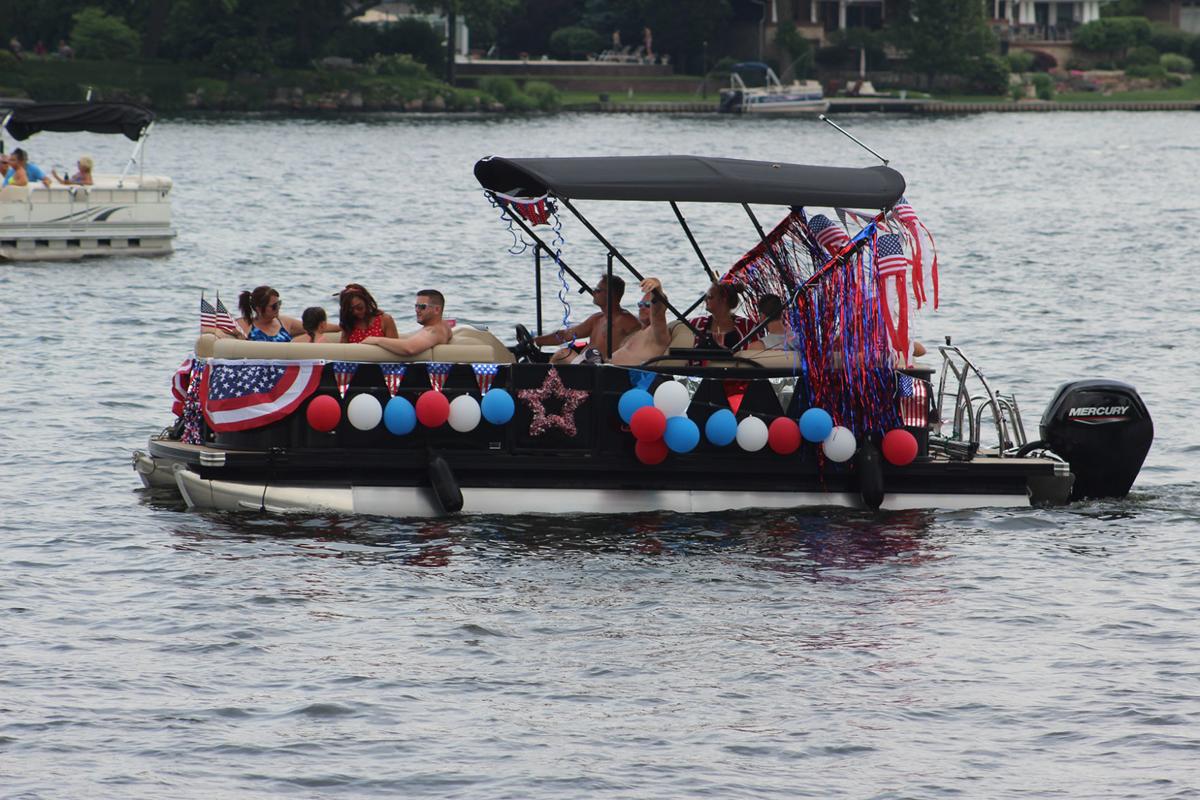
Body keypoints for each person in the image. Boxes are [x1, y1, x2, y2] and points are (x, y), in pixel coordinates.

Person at [533, 274, 640, 363]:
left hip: (601, 373)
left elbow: (641, 341)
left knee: (563, 353)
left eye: (597, 290)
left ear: (610, 294)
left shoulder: (626, 320)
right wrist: (535, 341)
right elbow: (566, 335)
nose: (593, 293)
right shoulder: (597, 318)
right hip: (585, 366)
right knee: (559, 355)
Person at [363, 289, 453, 356]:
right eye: (416, 306)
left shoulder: (433, 331)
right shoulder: (444, 325)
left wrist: (375, 340)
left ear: (437, 309)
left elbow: (410, 348)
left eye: (422, 307)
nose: (417, 310)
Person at [611, 278, 672, 366]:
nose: (642, 308)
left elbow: (658, 311)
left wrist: (657, 286)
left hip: (630, 377)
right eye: (640, 304)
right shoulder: (639, 332)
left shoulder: (658, 334)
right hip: (607, 370)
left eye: (647, 305)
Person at [690, 282, 761, 351]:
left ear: (724, 299)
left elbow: (757, 355)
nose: (705, 300)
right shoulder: (695, 324)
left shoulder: (748, 326)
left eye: (710, 297)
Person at [236, 285, 307, 342]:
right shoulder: (245, 325)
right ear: (259, 308)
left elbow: (313, 328)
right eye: (274, 306)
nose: (278, 307)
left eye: (279, 303)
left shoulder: (285, 322)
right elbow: (225, 332)